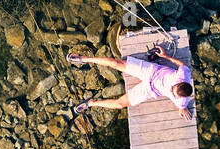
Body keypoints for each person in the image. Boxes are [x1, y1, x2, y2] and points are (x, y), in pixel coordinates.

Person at [66, 48, 195, 120]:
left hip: (150, 90)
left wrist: (182, 108)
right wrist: (166, 56)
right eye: (173, 88)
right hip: (151, 71)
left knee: (119, 105)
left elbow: (182, 106)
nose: (171, 90)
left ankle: (90, 103)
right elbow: (182, 64)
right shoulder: (184, 74)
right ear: (180, 82)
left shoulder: (182, 101)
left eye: (173, 93)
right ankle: (83, 59)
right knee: (115, 63)